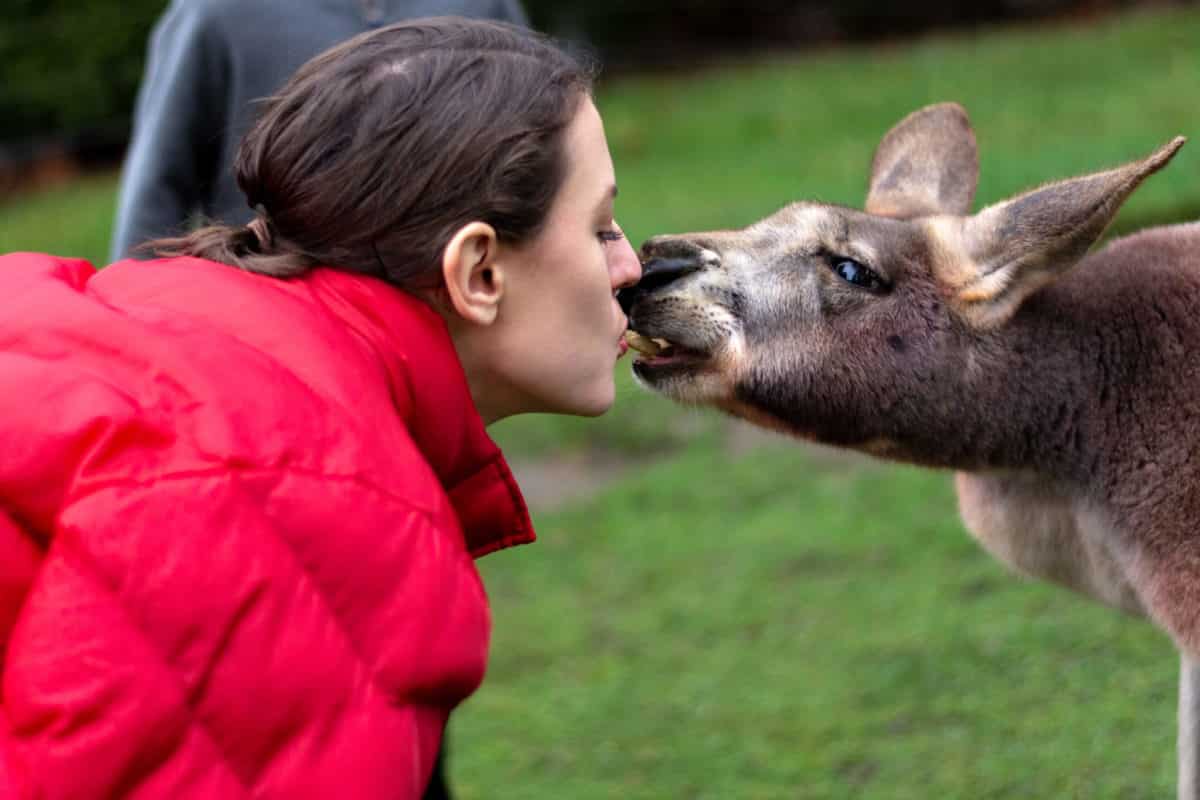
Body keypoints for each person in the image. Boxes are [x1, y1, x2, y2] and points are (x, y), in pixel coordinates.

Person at [0, 18, 640, 799]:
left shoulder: (182, 321)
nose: (631, 265)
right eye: (600, 227)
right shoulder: (326, 509)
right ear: (478, 272)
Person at [110, 0, 530, 262]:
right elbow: (157, 189)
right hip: (276, 316)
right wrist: (135, 327)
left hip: (446, 313)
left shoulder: (482, 6)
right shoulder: (214, 13)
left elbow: (539, 150)